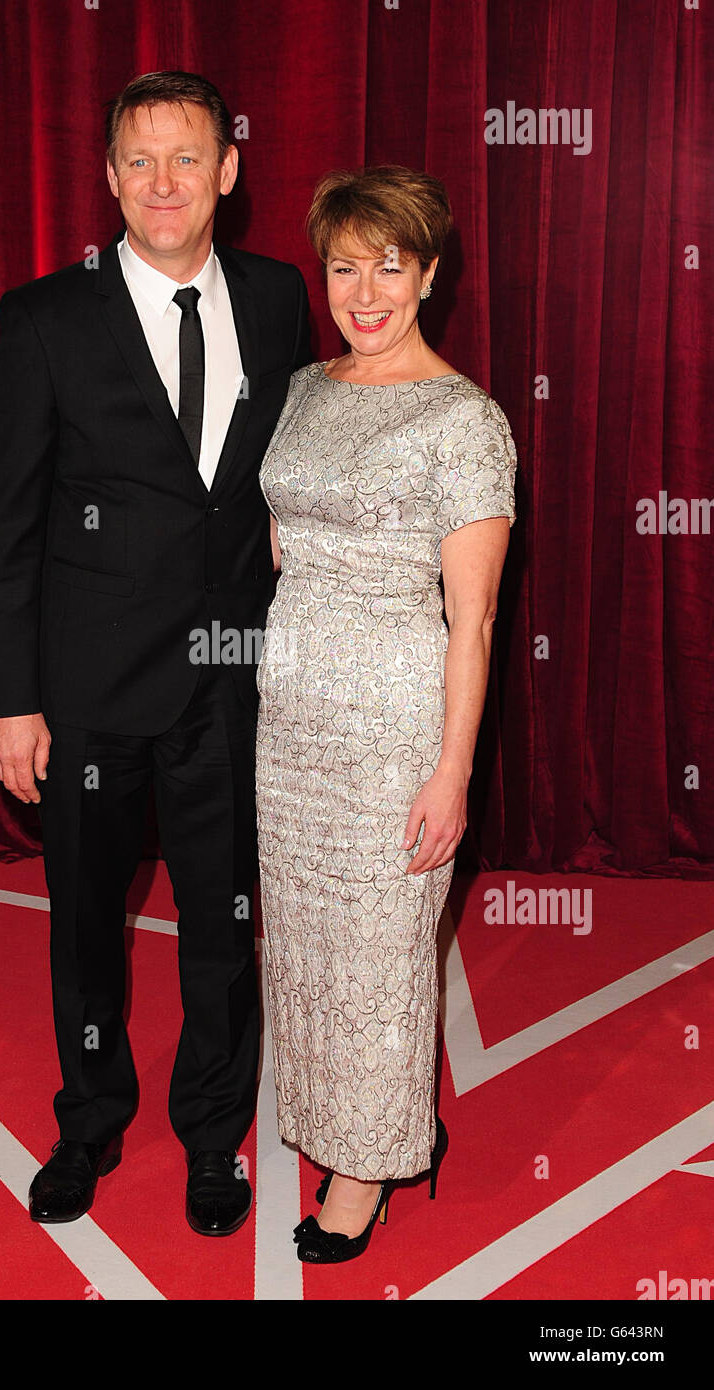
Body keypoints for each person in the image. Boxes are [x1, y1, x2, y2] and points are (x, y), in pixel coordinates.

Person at [0, 70, 311, 1236]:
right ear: (110, 176)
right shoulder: (44, 316)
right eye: (137, 161)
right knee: (85, 923)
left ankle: (212, 1137)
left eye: (186, 158)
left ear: (227, 169)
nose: (162, 183)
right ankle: (89, 1120)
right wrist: (8, 700)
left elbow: (280, 486)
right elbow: (4, 523)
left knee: (223, 926)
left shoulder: (277, 300)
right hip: (89, 692)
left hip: (230, 687)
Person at [254, 166, 516, 1263]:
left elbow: (476, 621)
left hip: (394, 721)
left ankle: (367, 1168)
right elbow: (281, 537)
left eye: (388, 267)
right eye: (344, 267)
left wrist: (450, 771)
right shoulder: (309, 387)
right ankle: (333, 1118)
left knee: (378, 948)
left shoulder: (464, 421)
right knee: (309, 943)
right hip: (292, 714)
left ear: (429, 275)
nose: (363, 292)